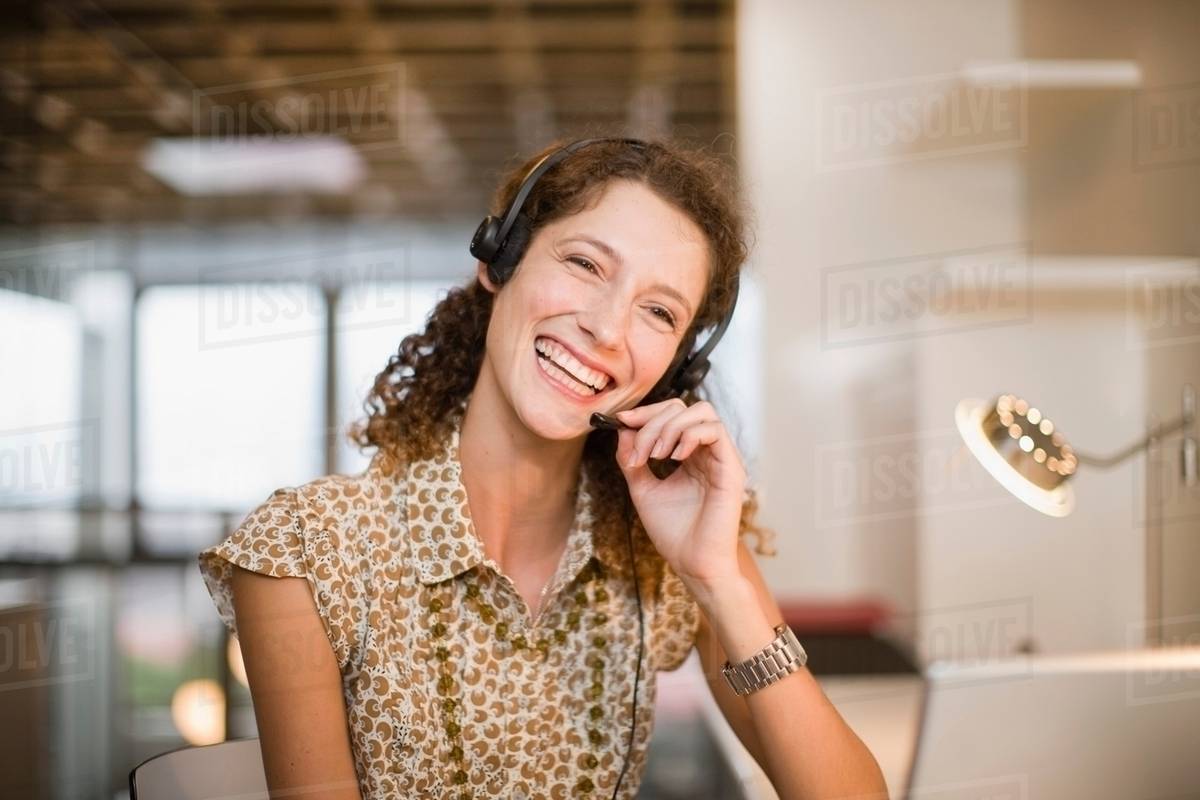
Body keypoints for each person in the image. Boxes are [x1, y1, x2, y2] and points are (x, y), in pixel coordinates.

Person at [198, 137, 886, 800]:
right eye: (585, 264)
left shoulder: (671, 552)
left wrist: (718, 582)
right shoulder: (307, 550)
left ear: (677, 367)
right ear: (499, 260)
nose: (609, 329)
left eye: (657, 310)